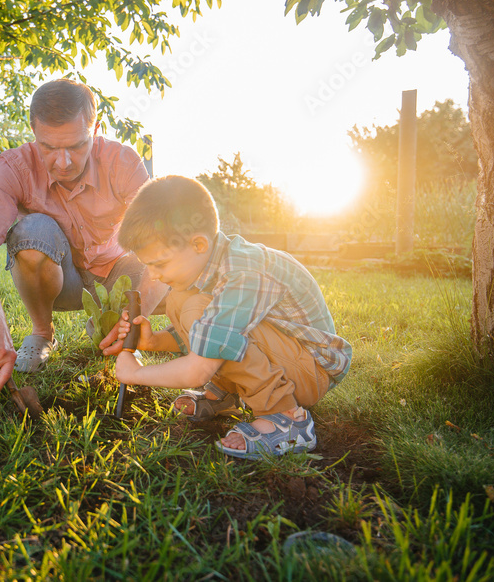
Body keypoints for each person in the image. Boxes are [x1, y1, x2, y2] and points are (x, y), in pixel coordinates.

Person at [0, 78, 166, 396]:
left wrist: (131, 323)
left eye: (77, 146)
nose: (62, 163)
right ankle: (42, 333)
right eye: (48, 147)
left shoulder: (123, 162)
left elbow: (164, 242)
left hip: (118, 275)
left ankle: (110, 325)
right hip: (64, 282)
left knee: (179, 269)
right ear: (34, 130)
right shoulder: (15, 166)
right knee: (32, 230)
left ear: (96, 127)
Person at [110, 175, 352, 459]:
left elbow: (197, 368)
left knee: (192, 307)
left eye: (159, 263)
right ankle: (226, 393)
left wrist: (137, 374)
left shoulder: (242, 272)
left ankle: (286, 417)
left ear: (199, 244)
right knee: (181, 299)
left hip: (311, 371)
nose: (152, 275)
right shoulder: (209, 267)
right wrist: (154, 342)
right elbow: (205, 331)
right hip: (286, 358)